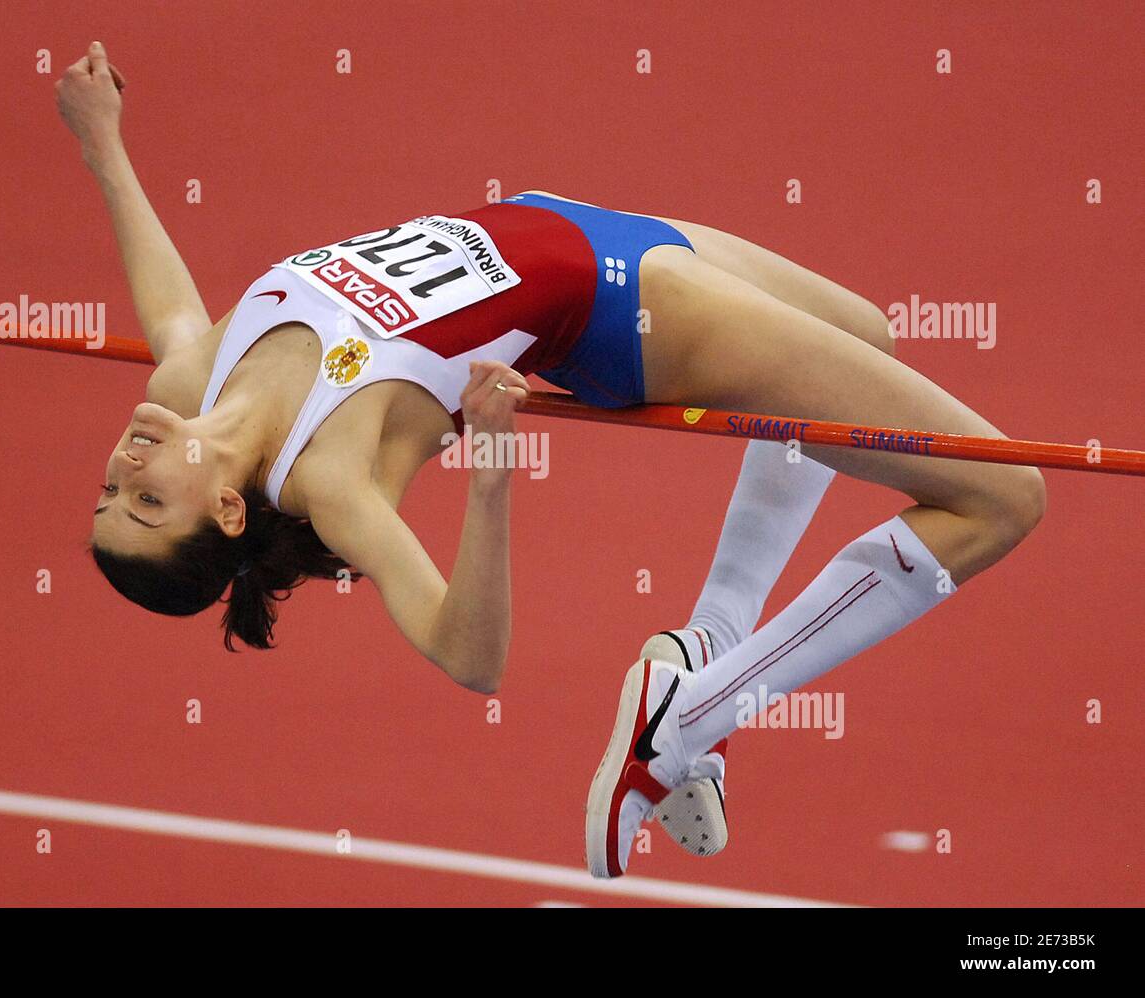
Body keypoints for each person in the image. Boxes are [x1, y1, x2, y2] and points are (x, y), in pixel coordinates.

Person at [55, 43, 1045, 878]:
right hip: (632, 313)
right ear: (227, 510)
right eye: (144, 499)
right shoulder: (330, 480)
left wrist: (100, 144)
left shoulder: (194, 377)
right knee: (1002, 496)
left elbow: (174, 303)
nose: (124, 462)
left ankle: (703, 648)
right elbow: (468, 655)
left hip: (581, 226)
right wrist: (490, 474)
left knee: (865, 334)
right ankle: (692, 718)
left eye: (107, 486)